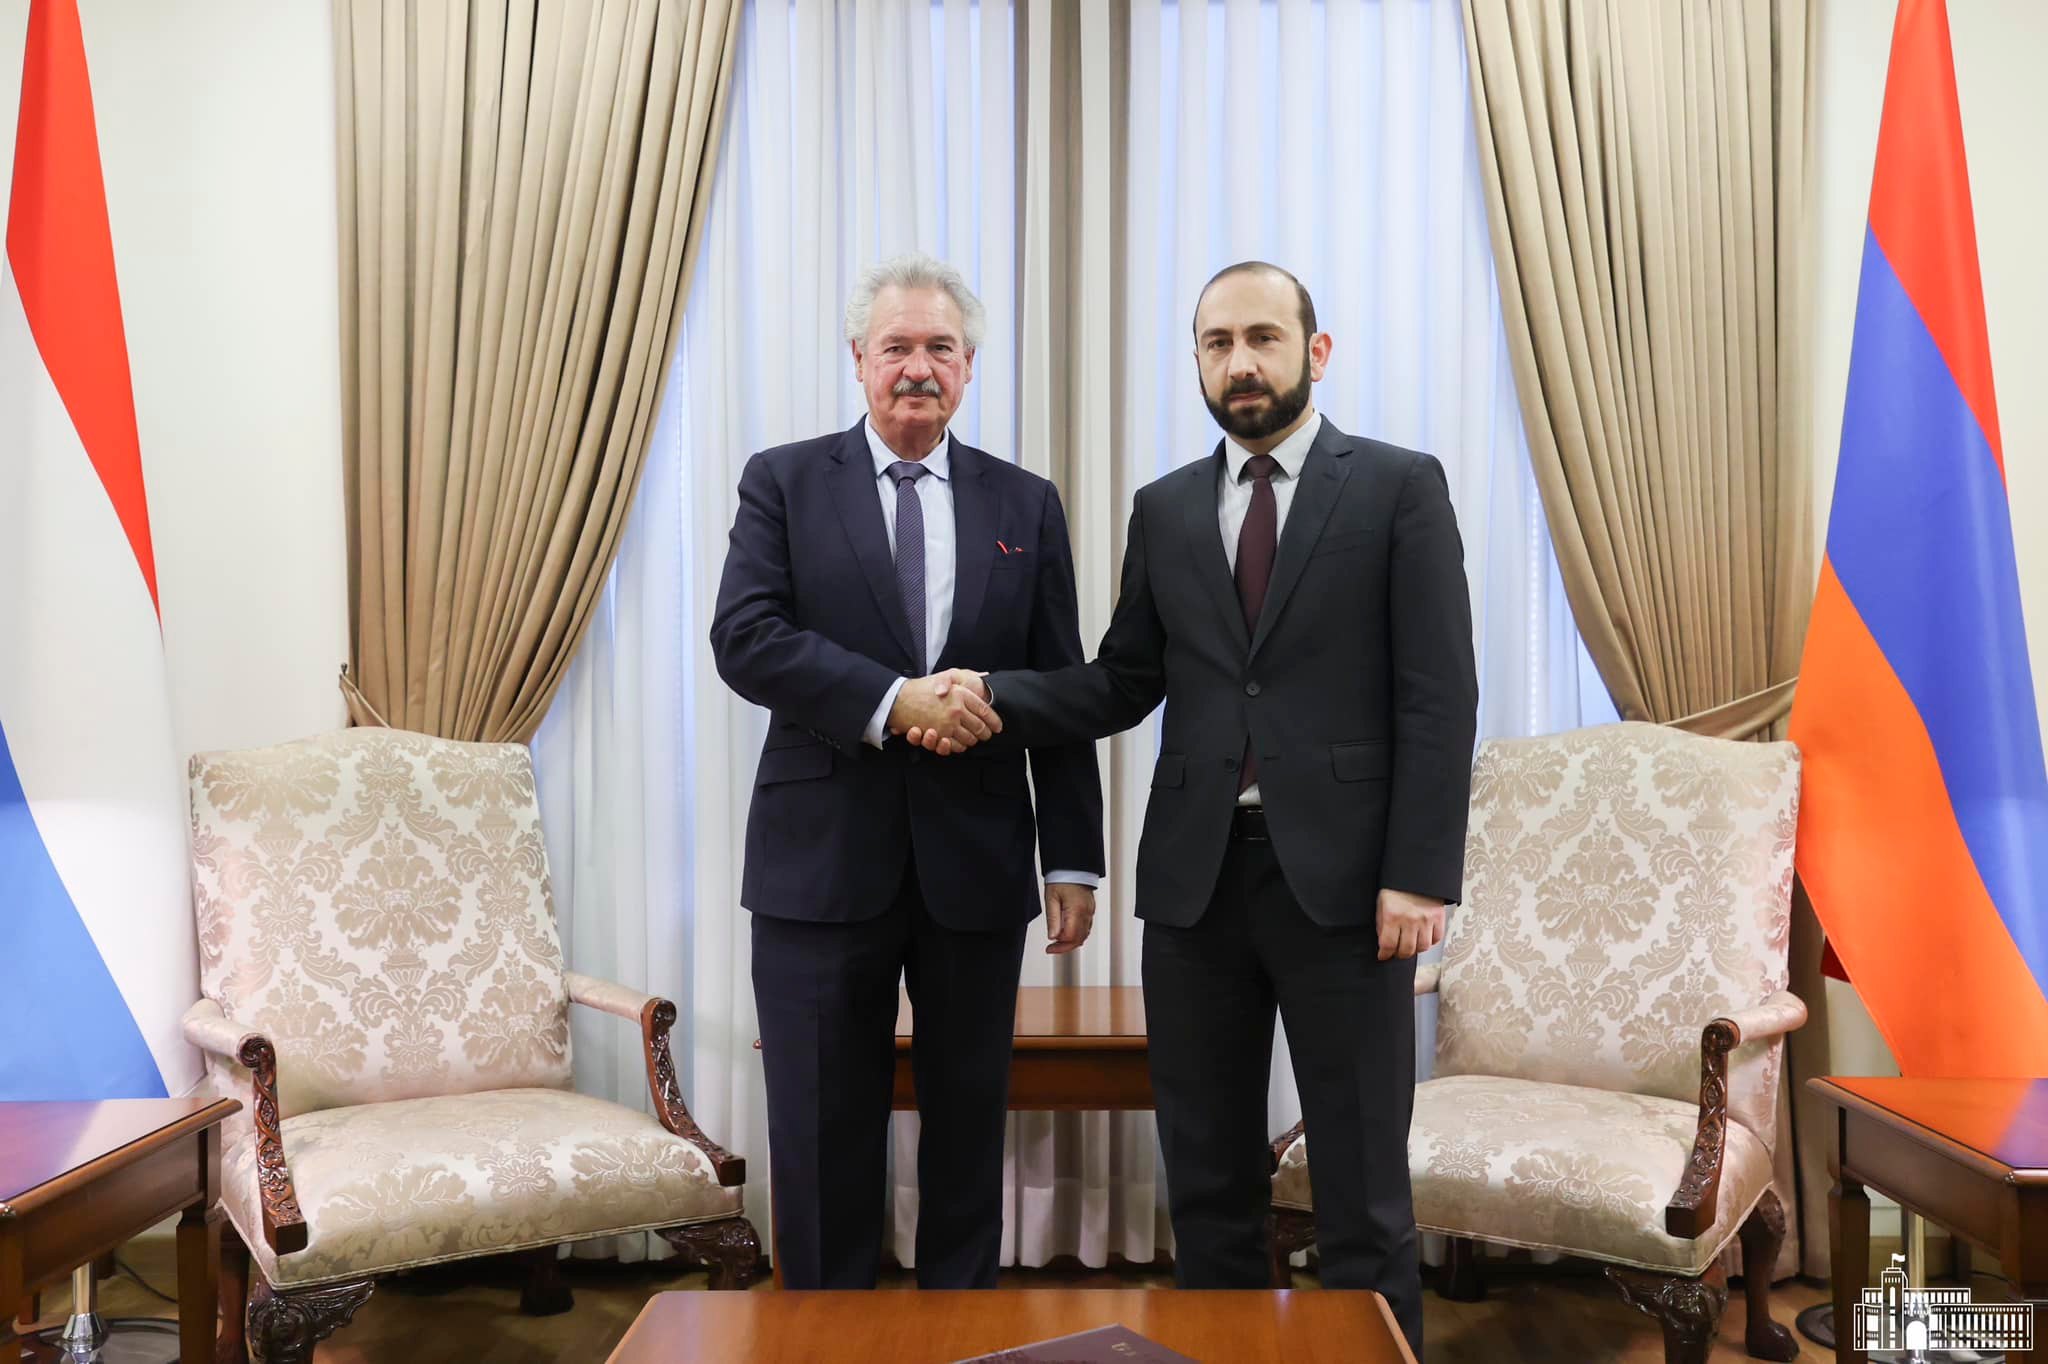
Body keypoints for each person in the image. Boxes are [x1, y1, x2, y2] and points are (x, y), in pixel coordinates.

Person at [911, 261, 1476, 1353]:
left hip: (1351, 889)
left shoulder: (1398, 485)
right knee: (1208, 1187)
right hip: (1193, 885)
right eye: (1216, 343)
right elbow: (1121, 679)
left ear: (1315, 351)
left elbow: (1437, 692)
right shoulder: (1164, 507)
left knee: (1361, 1193)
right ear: (1199, 362)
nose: (1240, 362)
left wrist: (1420, 871)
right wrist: (991, 691)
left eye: (1262, 338)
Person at [708, 253, 1103, 1290]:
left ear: (969, 366)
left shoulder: (1027, 501)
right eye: (896, 347)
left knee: (968, 1124)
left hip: (975, 862)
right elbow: (744, 637)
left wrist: (1072, 856)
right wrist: (894, 701)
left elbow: (1058, 684)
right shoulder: (783, 481)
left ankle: (960, 1333)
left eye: (939, 348)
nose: (916, 366)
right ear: (858, 361)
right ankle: (827, 1341)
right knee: (822, 1124)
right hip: (817, 862)